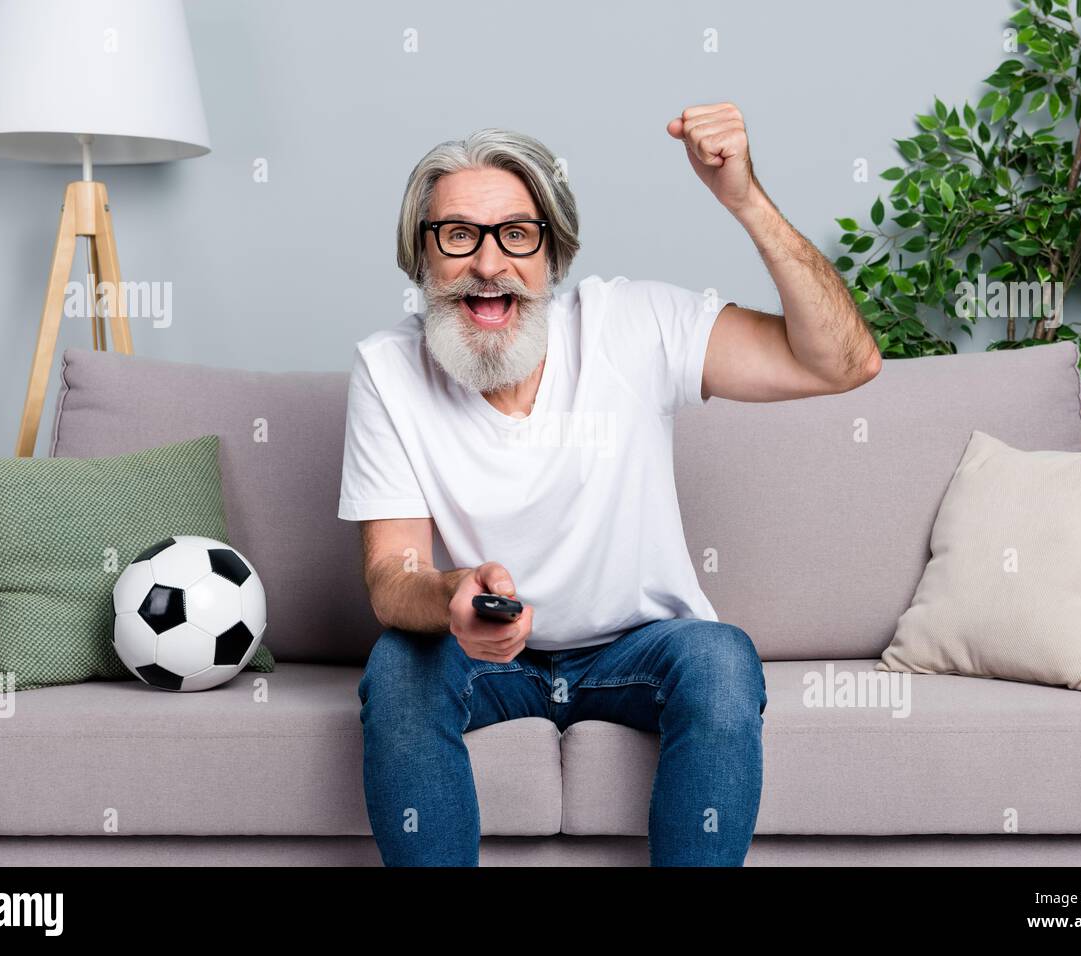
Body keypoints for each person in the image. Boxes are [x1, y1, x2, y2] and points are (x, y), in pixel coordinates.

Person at [339, 102, 881, 866]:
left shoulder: (632, 326)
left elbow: (844, 362)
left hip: (639, 650)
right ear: (420, 258)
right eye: (458, 235)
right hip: (487, 659)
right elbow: (391, 575)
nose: (488, 264)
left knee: (722, 657)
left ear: (552, 256)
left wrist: (745, 199)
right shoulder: (385, 371)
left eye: (516, 235)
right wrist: (452, 593)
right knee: (400, 664)